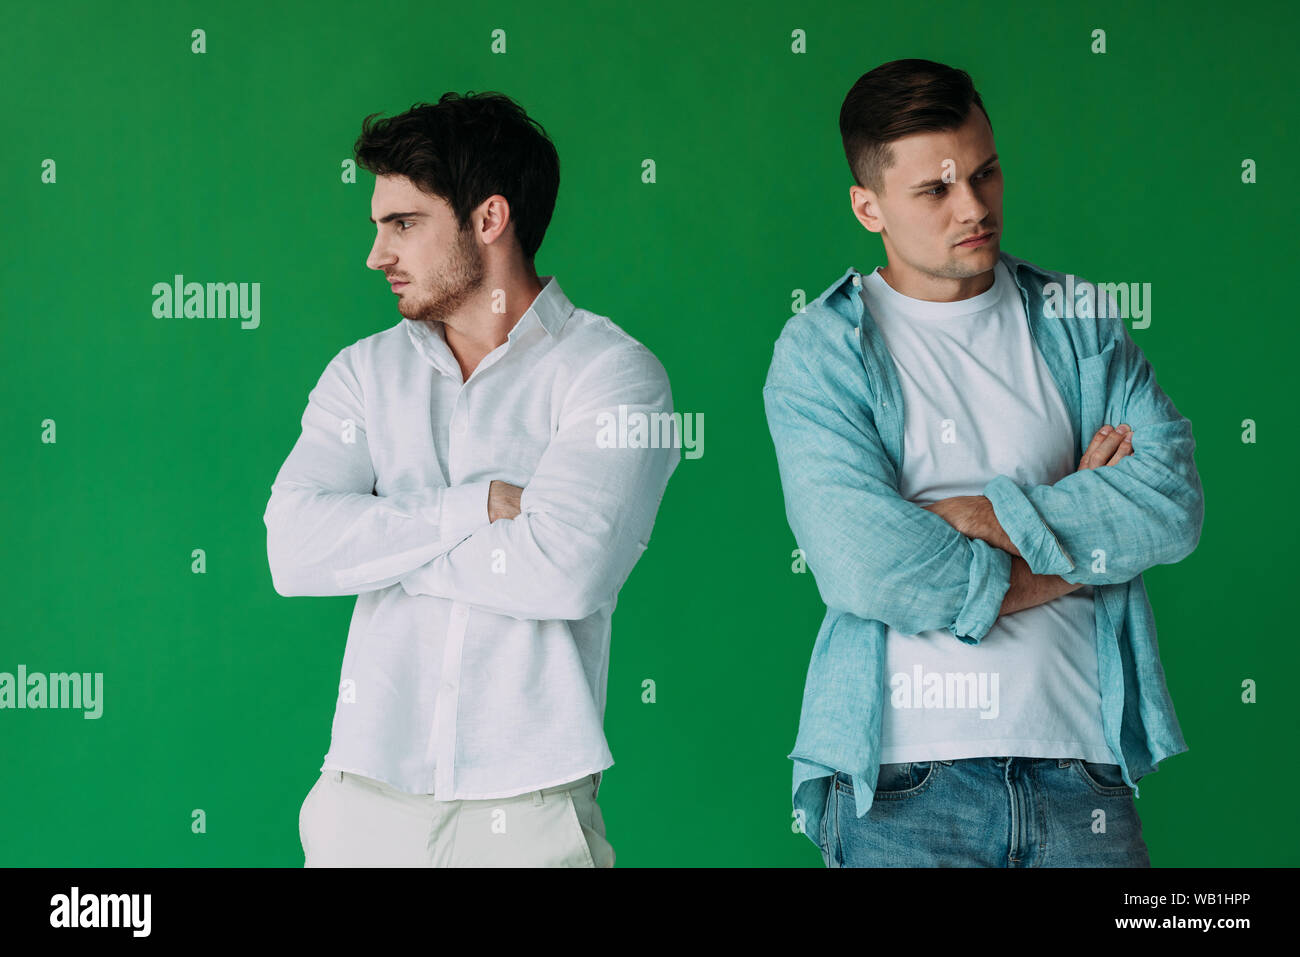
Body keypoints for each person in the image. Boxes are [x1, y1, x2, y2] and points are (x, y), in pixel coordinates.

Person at [762, 59, 1204, 867]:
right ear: (869, 207)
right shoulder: (822, 349)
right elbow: (865, 563)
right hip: (904, 787)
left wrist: (972, 515)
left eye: (985, 172)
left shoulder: (1077, 321)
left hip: (1085, 779)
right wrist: (1078, 536)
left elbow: (1170, 500)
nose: (973, 206)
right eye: (935, 190)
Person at [264, 91, 680, 867]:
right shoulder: (363, 374)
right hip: (361, 799)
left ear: (489, 219)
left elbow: (565, 572)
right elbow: (293, 549)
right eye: (378, 226)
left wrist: (384, 536)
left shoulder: (614, 375)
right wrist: (476, 507)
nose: (376, 254)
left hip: (528, 809)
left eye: (404, 224)